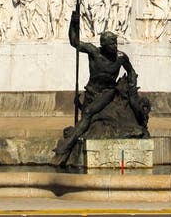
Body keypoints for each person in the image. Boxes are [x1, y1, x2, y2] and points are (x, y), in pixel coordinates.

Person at [52, 9, 138, 166]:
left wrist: (131, 87)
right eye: (112, 43)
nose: (115, 46)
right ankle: (73, 147)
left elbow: (131, 71)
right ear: (103, 45)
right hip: (91, 91)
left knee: (89, 113)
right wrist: (74, 22)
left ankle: (65, 148)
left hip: (108, 91)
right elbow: (74, 42)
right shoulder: (94, 52)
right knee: (87, 118)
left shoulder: (120, 57)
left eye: (116, 43)